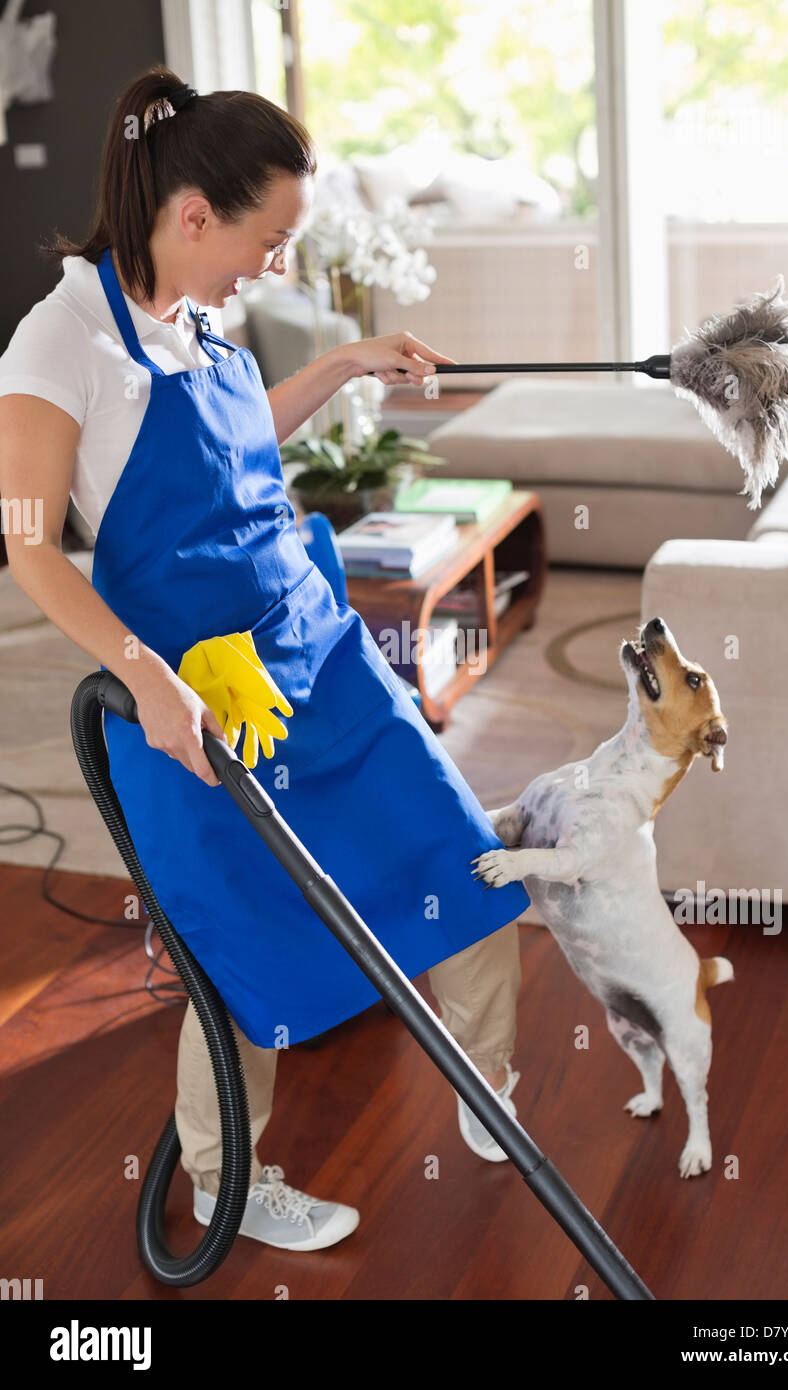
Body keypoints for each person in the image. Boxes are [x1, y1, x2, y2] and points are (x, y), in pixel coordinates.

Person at [0, 66, 530, 1254]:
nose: (268, 268)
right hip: (200, 700)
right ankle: (224, 1182)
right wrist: (143, 675)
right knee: (242, 939)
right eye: (267, 241)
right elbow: (29, 551)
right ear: (193, 215)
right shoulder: (60, 340)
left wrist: (343, 365)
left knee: (460, 855)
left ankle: (484, 1087)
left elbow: (237, 443)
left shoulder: (192, 322)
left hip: (318, 652)